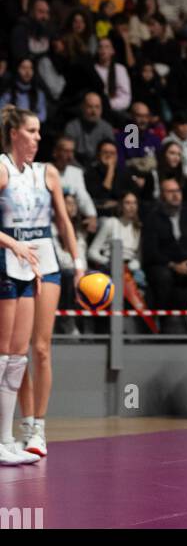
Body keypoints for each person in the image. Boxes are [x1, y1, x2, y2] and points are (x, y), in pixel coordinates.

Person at [0, 105, 83, 462]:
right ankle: (19, 425)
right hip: (12, 258)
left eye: (39, 132)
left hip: (46, 259)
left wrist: (78, 265)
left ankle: (37, 429)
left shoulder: (48, 173)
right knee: (14, 351)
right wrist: (12, 243)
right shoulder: (2, 168)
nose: (37, 138)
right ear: (14, 133)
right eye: (31, 131)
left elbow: (64, 222)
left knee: (41, 348)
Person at [141, 176, 187, 315]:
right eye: (170, 191)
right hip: (165, 264)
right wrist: (174, 265)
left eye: (178, 191)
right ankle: (165, 322)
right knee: (163, 277)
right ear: (162, 195)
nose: (175, 195)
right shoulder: (153, 218)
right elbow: (151, 252)